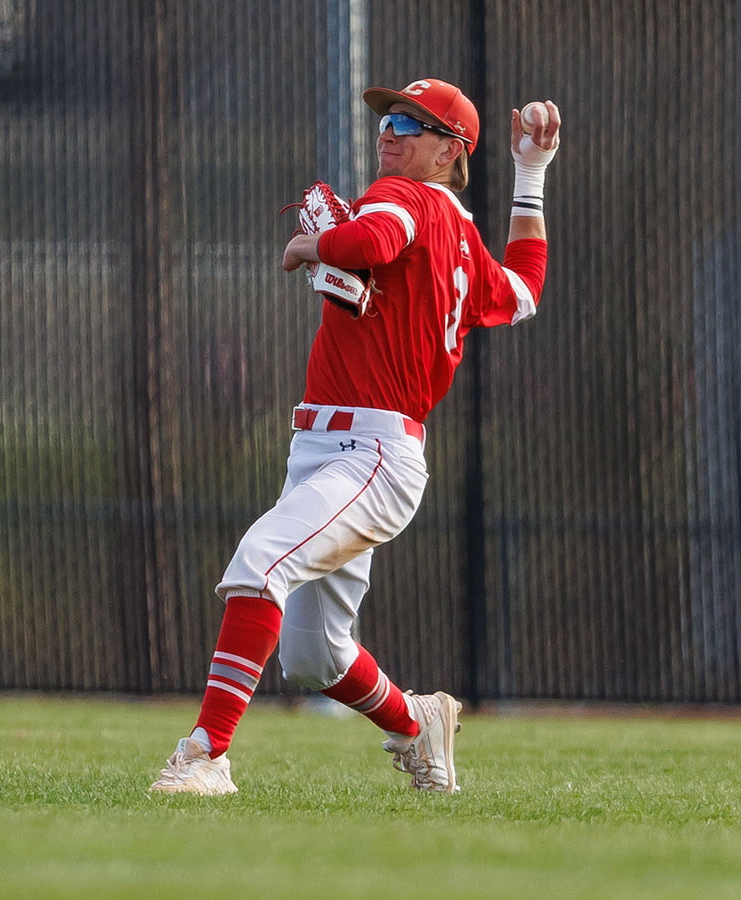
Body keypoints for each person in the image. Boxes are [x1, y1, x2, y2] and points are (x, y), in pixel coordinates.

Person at [149, 77, 560, 795]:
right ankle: (416, 722)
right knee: (314, 656)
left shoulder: (402, 197)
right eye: (388, 117)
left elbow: (374, 238)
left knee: (259, 560)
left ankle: (205, 756)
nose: (390, 130)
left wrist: (312, 243)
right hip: (338, 448)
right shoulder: (460, 232)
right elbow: (524, 288)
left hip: (368, 451)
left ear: (450, 151)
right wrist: (532, 172)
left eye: (412, 122)